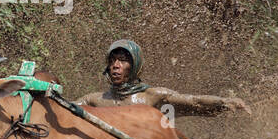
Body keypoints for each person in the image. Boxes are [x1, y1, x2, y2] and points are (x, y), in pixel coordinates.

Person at [76, 40, 248, 114]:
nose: (116, 65)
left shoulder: (152, 96)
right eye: (112, 61)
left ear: (135, 66)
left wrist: (225, 102)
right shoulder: (95, 100)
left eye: (122, 61)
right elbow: (65, 108)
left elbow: (195, 101)